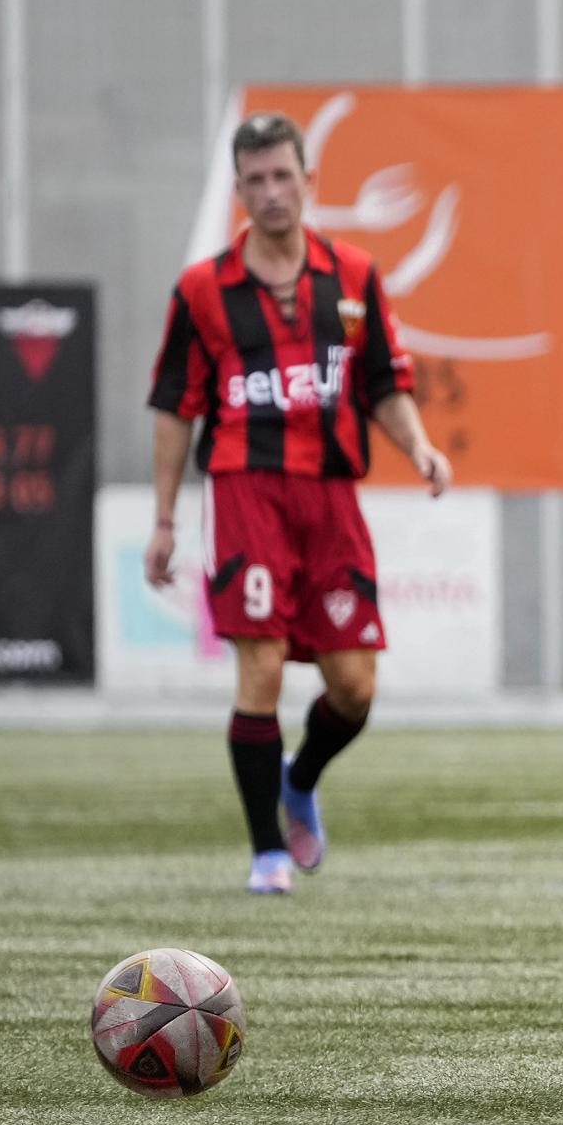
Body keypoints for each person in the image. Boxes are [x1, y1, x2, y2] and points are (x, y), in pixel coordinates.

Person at [145, 111, 451, 895]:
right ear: (240, 190)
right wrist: (167, 518)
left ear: (310, 181)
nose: (272, 192)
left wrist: (416, 446)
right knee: (263, 669)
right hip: (247, 490)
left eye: (284, 176)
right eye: (255, 180)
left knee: (355, 687)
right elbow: (177, 405)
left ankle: (299, 780)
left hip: (331, 496)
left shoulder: (352, 275)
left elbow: (384, 382)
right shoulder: (203, 290)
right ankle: (266, 854)